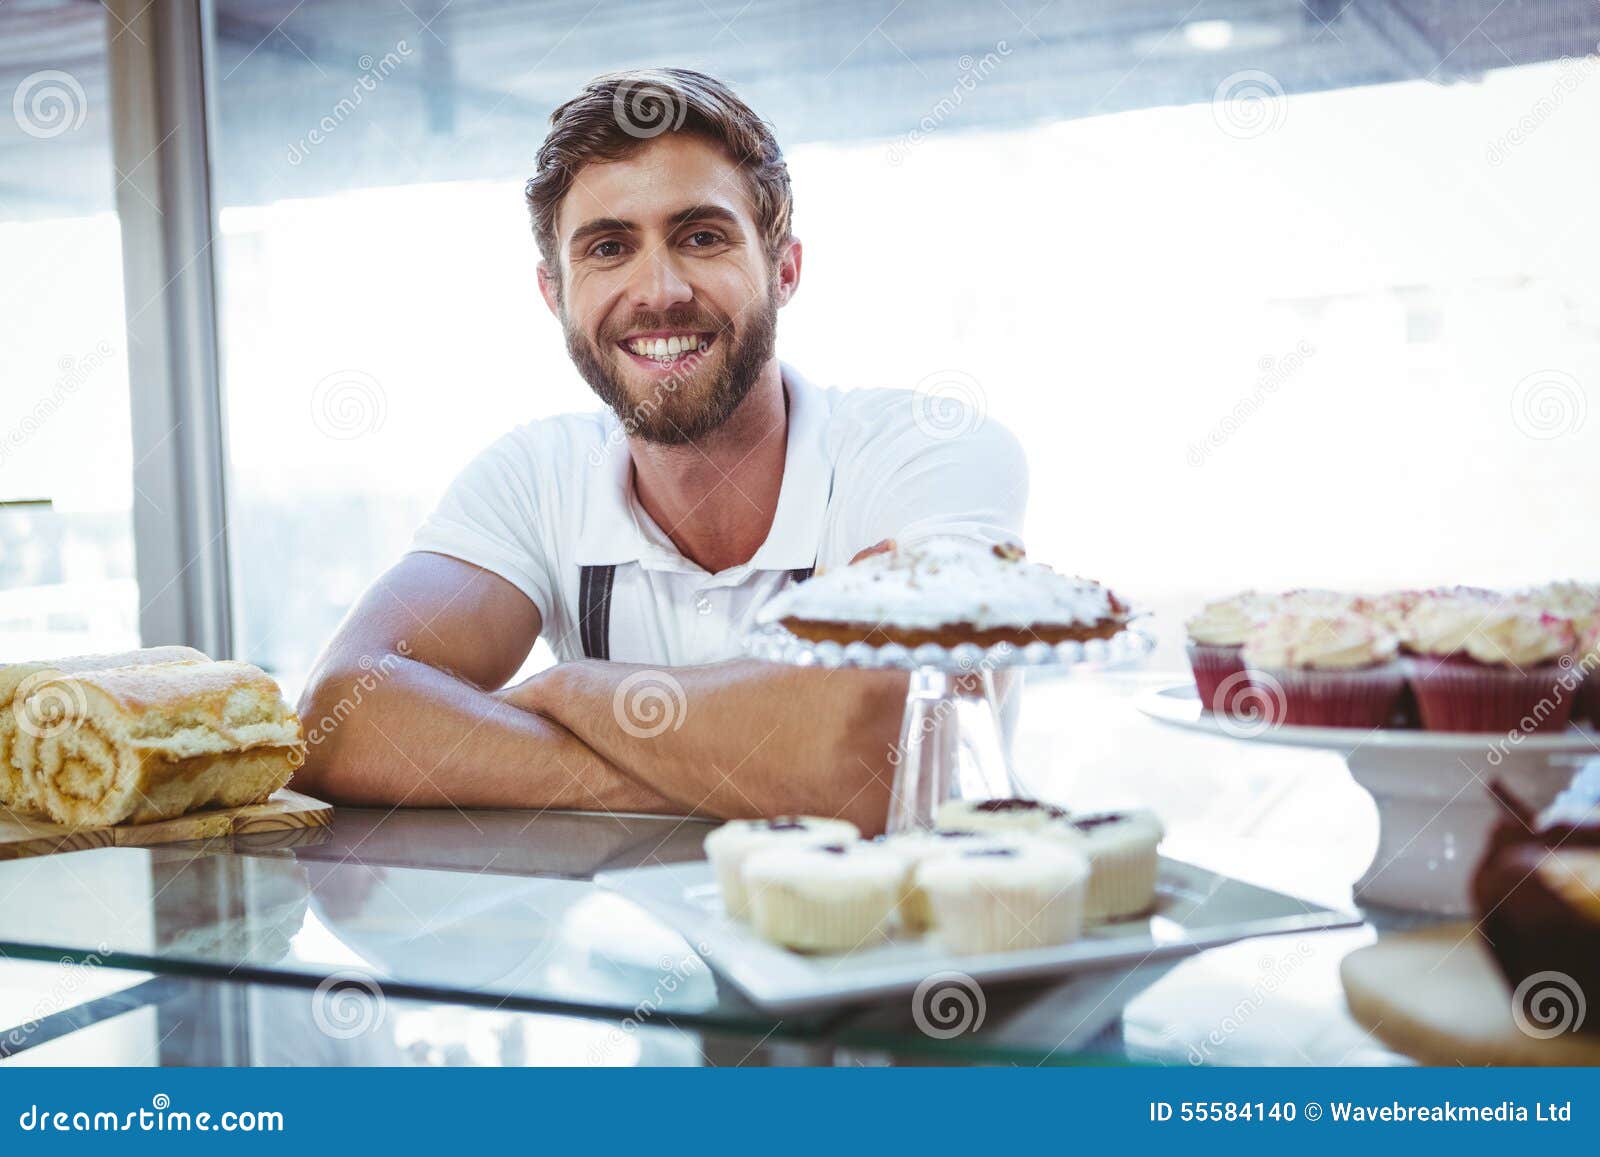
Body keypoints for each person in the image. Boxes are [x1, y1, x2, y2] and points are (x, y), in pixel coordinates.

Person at [293, 69, 1027, 834]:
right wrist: (753, 766)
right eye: (609, 248)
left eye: (701, 236)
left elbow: (881, 744)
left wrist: (567, 690)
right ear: (556, 295)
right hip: (631, 948)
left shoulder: (929, 452)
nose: (659, 289)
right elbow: (337, 715)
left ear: (785, 269)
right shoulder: (534, 478)